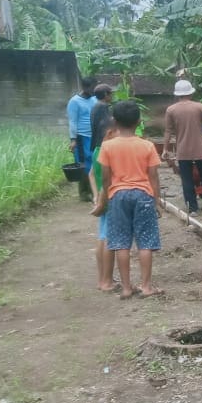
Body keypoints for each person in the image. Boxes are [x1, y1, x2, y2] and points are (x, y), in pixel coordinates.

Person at [92, 100, 162, 299]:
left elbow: (105, 176)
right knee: (145, 242)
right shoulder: (147, 146)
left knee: (121, 242)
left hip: (118, 195)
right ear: (139, 121)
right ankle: (146, 286)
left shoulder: (107, 146)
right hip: (143, 194)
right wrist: (156, 201)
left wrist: (105, 196)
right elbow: (153, 177)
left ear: (114, 121)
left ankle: (125, 287)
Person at [162, 79, 202, 216]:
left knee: (187, 180)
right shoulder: (199, 107)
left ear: (177, 94)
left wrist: (165, 149)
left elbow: (168, 131)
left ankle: (192, 208)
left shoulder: (171, 110)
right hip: (200, 150)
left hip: (182, 152)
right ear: (190, 93)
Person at [88, 115, 118, 292]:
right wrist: (101, 198)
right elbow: (107, 180)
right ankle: (106, 281)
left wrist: (95, 196)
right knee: (109, 238)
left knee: (102, 236)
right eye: (118, 131)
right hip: (109, 198)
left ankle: (103, 278)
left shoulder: (97, 150)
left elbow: (91, 174)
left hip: (102, 197)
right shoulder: (108, 152)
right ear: (109, 133)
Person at [67, 76, 98, 202]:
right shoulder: (74, 102)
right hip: (81, 137)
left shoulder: (95, 100)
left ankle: (93, 191)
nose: (94, 90)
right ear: (85, 87)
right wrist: (73, 140)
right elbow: (72, 121)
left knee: (94, 162)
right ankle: (84, 193)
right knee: (83, 165)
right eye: (92, 87)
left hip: (94, 136)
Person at [89, 84, 114, 152]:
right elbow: (106, 127)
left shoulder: (97, 106)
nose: (112, 96)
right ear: (106, 94)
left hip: (98, 144)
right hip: (102, 145)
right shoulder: (102, 107)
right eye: (111, 94)